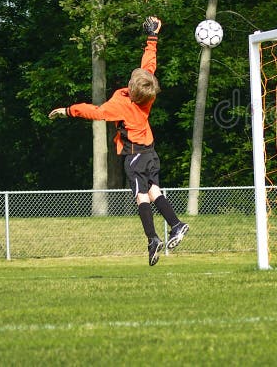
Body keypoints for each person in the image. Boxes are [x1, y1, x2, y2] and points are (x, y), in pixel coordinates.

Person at [49, 16, 189, 266]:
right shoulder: (147, 97)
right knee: (154, 190)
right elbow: (149, 66)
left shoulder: (121, 105)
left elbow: (95, 111)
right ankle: (176, 225)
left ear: (131, 86)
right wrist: (152, 37)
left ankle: (153, 239)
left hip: (134, 155)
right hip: (150, 152)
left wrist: (68, 110)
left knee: (141, 197)